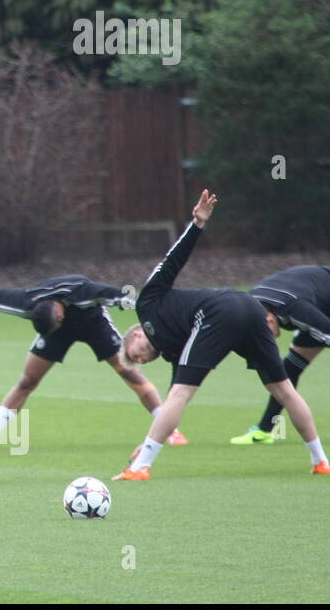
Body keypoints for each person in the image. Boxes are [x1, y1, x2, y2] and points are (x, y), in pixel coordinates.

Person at [114, 190, 329, 480]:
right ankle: (321, 462)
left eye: (132, 352)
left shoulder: (147, 301)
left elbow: (172, 260)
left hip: (221, 309)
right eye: (136, 361)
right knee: (284, 389)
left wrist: (197, 224)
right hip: (249, 307)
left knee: (188, 392)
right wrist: (151, 439)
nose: (139, 358)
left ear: (138, 333)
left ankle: (140, 468)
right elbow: (174, 396)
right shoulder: (173, 347)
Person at [0, 276, 186, 449]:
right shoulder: (27, 302)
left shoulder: (81, 291)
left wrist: (154, 309)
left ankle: (169, 430)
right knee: (27, 381)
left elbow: (120, 295)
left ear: (60, 314)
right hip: (57, 332)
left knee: (131, 374)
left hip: (93, 323)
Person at [230, 265, 330, 445]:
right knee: (290, 369)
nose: (264, 339)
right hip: (318, 302)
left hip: (318, 305)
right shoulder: (250, 305)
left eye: (263, 333)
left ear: (269, 319)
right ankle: (264, 430)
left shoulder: (296, 309)